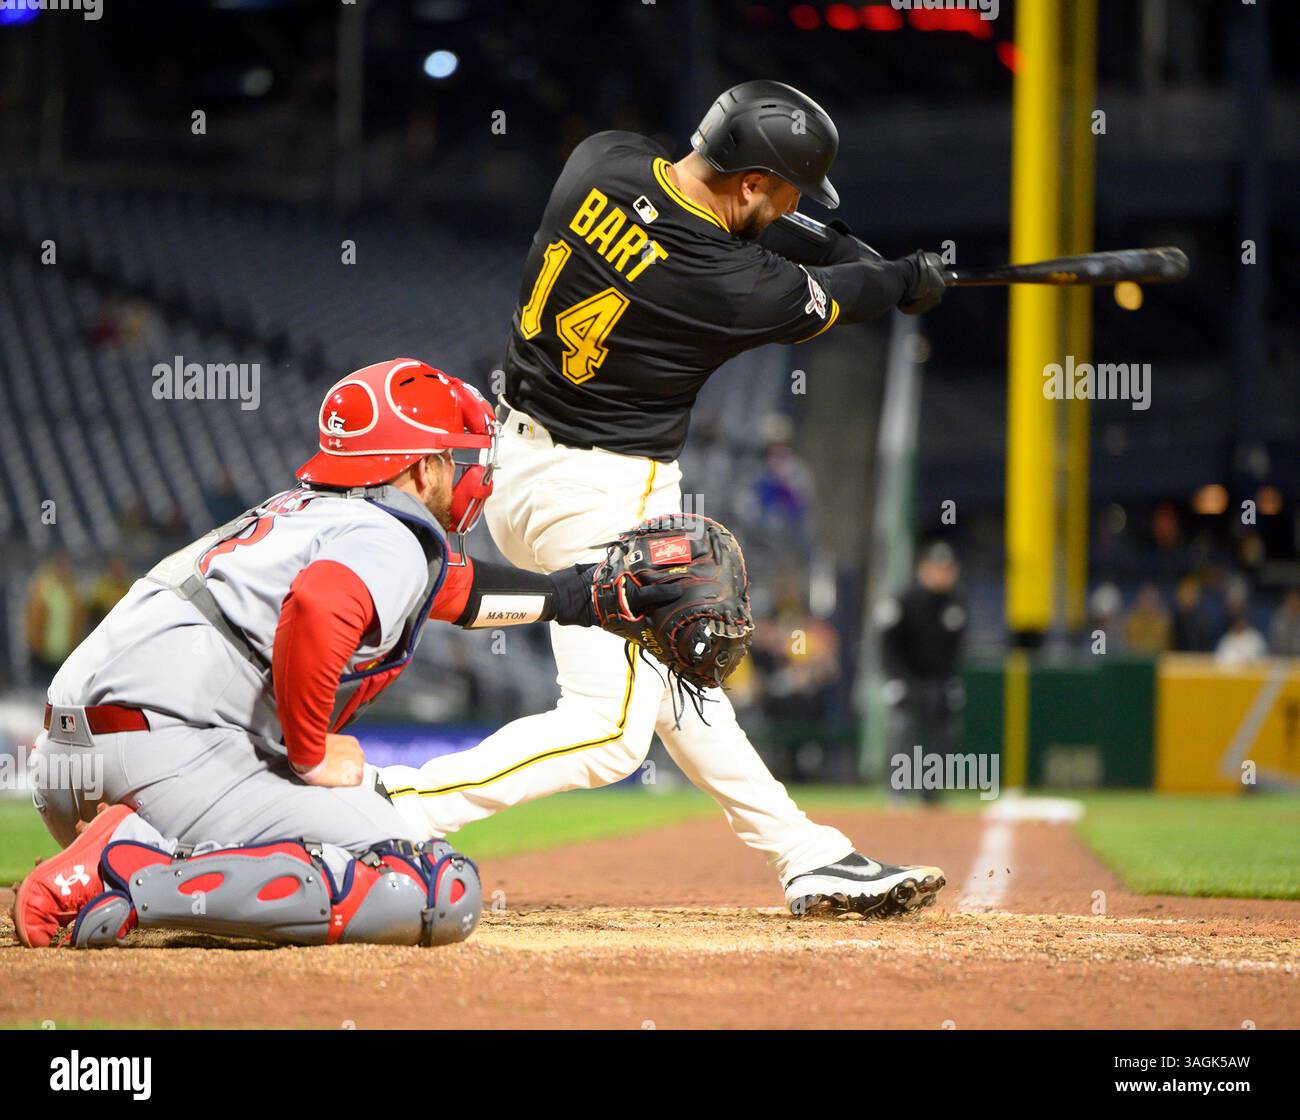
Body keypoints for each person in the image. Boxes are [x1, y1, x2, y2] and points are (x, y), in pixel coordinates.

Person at [379, 81, 948, 918]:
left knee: (680, 669)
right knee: (609, 734)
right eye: (782, 192)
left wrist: (801, 224)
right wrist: (907, 279)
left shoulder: (597, 161)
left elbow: (691, 202)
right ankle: (390, 810)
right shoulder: (731, 284)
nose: (789, 206)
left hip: (511, 469)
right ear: (752, 183)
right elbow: (846, 293)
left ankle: (806, 854)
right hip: (604, 493)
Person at [14, 358, 650, 950]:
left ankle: (132, 853)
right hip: (166, 760)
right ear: (423, 469)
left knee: (369, 821)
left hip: (73, 767)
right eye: (453, 460)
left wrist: (577, 597)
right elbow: (320, 604)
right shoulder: (388, 534)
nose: (464, 474)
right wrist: (309, 752)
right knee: (428, 885)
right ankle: (126, 867)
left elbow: (454, 589)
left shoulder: (305, 513)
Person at [879, 543, 968, 805]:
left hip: (938, 680)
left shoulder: (955, 602)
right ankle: (898, 792)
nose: (942, 575)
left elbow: (956, 650)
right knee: (902, 729)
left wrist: (953, 681)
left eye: (947, 569)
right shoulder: (903, 599)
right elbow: (887, 643)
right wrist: (893, 678)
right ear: (923, 569)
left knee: (943, 734)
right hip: (906, 678)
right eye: (937, 568)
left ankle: (932, 796)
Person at [25, 554, 86, 681]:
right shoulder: (43, 589)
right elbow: (32, 619)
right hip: (43, 651)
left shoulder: (72, 591)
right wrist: (34, 644)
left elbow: (78, 619)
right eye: (61, 567)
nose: (64, 570)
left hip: (65, 652)